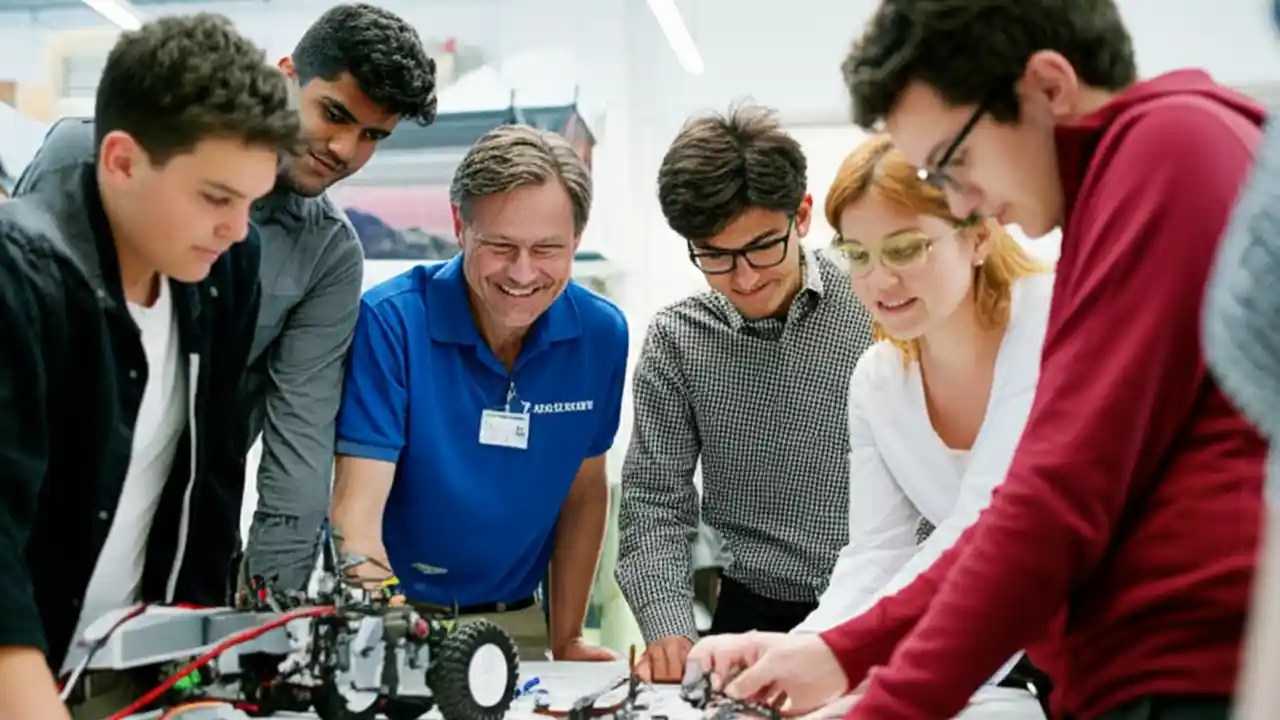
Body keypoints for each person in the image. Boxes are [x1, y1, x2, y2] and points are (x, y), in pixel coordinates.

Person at [696, 2, 1270, 719]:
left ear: (1050, 88)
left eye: (953, 162)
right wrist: (841, 651)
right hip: (1136, 678)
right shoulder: (1142, 166)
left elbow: (1056, 504)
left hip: (1188, 676)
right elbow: (1011, 522)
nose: (967, 202)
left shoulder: (1168, 146)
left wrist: (888, 700)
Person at [14, 2, 440, 592]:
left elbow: (298, 452)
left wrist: (275, 625)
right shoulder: (82, 161)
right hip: (37, 526)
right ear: (287, 76)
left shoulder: (317, 254)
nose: (344, 149)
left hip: (182, 546)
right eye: (334, 114)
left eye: (372, 135)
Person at [0, 14, 297, 720]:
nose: (235, 228)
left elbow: (213, 474)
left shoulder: (223, 267)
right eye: (216, 198)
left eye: (252, 203)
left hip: (117, 672)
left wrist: (195, 682)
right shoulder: (24, 280)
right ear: (123, 161)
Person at [762, 134, 1048, 720]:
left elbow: (984, 526)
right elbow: (877, 551)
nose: (878, 281)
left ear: (980, 236)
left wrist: (839, 661)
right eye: (858, 255)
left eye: (905, 249)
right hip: (1009, 635)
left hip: (1128, 631)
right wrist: (795, 657)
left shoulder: (1045, 323)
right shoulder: (879, 378)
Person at [330, 124, 628, 662]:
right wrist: (389, 641)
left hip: (518, 624)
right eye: (500, 246)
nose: (522, 272)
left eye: (546, 249)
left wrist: (567, 638)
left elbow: (584, 492)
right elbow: (357, 515)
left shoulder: (601, 334)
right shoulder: (393, 323)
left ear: (576, 242)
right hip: (400, 619)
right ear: (459, 227)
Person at [615, 104, 875, 683]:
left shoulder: (878, 304)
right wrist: (668, 627)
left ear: (801, 216)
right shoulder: (676, 341)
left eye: (762, 246)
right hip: (753, 616)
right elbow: (655, 505)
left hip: (883, 608)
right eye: (714, 255)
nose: (744, 277)